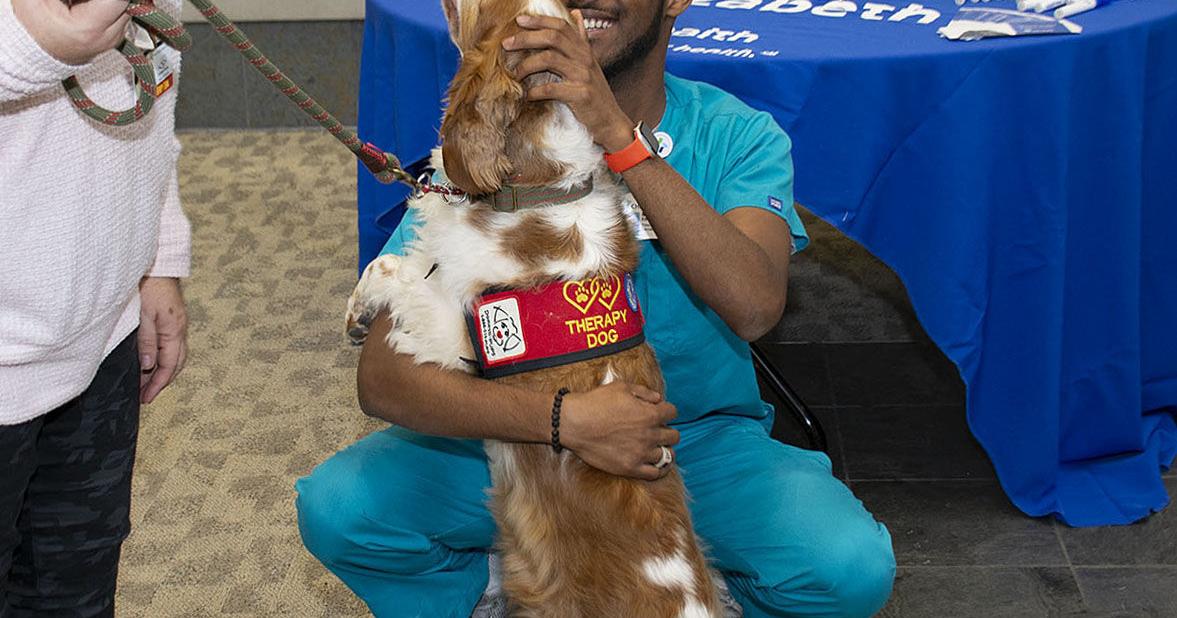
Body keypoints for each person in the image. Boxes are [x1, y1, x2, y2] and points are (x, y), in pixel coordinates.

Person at [296, 1, 894, 616]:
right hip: (513, 438)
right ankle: (489, 588)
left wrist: (618, 137)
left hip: (693, 441)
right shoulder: (505, 146)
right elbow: (384, 381)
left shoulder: (733, 133)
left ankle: (693, 589)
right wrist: (564, 420)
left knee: (846, 566)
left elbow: (755, 306)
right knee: (342, 508)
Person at [0, 0, 190, 615]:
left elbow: (153, 81)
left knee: (74, 587)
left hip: (100, 337)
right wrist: (38, 42)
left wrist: (159, 257)